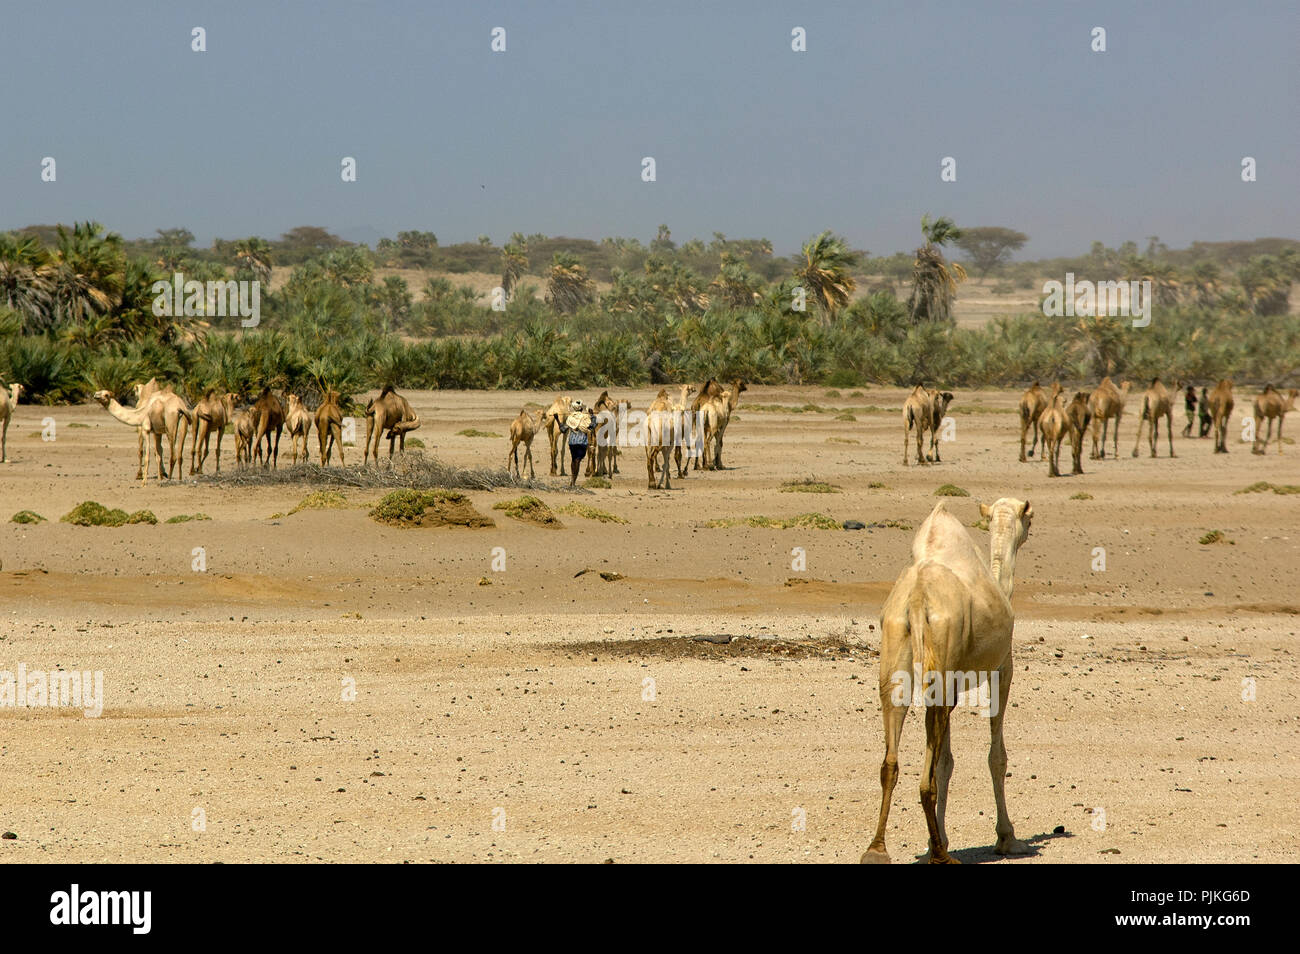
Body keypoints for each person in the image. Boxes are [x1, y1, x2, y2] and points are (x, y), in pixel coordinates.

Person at [559, 399, 595, 487]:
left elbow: (563, 430)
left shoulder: (570, 418)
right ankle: (573, 482)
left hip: (572, 442)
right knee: (578, 460)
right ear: (581, 409)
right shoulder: (585, 417)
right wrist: (593, 415)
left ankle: (572, 480)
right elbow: (592, 426)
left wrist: (557, 419)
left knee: (573, 459)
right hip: (582, 442)